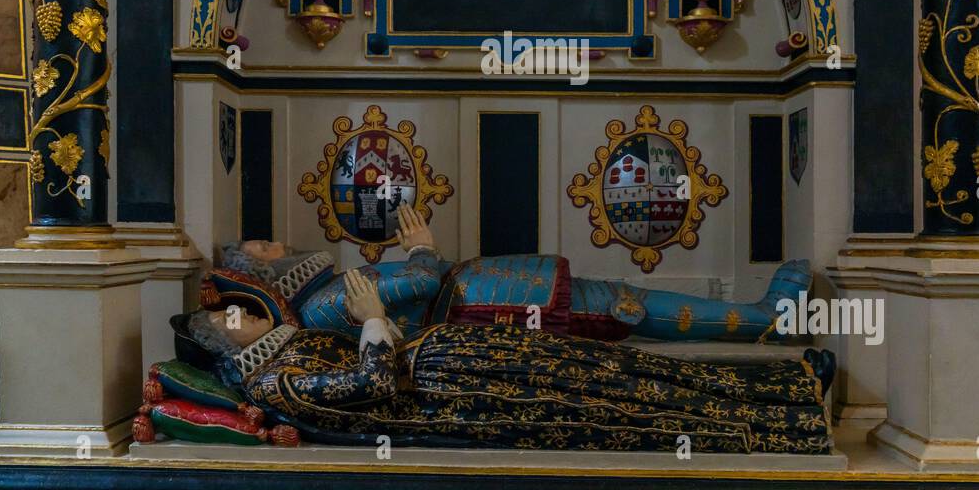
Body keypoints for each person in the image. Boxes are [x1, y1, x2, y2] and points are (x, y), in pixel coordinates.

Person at [185, 268, 833, 454]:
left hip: (471, 362)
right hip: (467, 394)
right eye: (228, 320)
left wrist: (384, 315)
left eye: (237, 307)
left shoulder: (287, 349)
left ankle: (790, 381)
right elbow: (372, 386)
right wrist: (374, 317)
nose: (242, 314)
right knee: (637, 405)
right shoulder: (276, 381)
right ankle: (790, 420)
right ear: (225, 347)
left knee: (639, 372)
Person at [218, 206, 811, 344]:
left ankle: (760, 318)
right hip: (488, 306)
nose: (282, 244)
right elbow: (420, 286)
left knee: (621, 302)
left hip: (491, 292)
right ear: (265, 270)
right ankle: (765, 321)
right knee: (622, 307)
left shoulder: (322, 294)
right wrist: (424, 248)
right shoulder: (323, 304)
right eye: (268, 247)